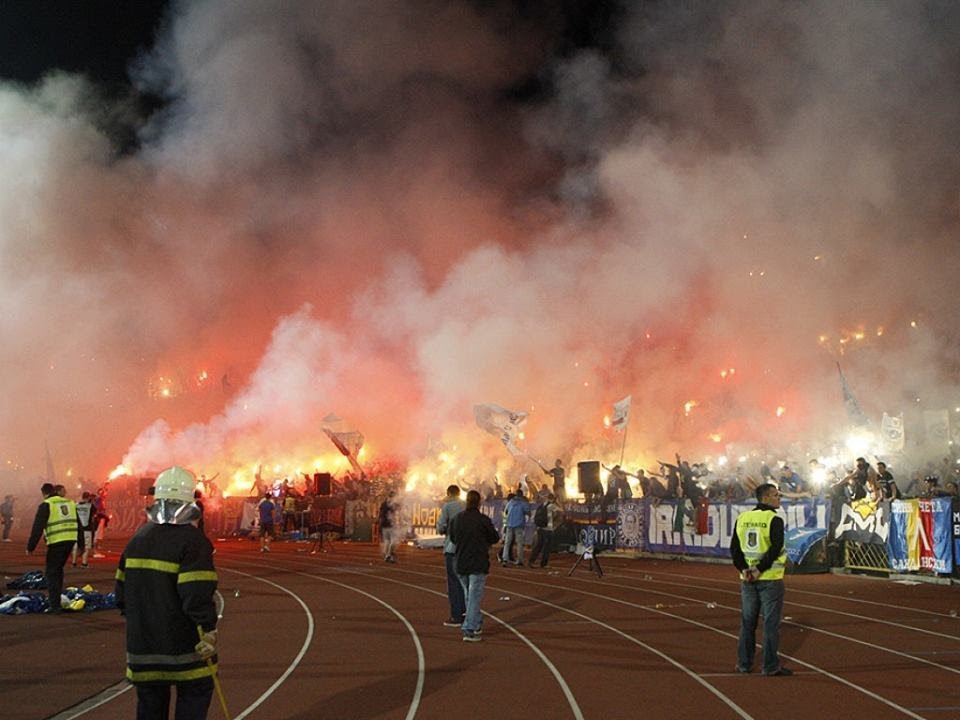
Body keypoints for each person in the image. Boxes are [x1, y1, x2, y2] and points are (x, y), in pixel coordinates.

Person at [116, 466, 219, 720]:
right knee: (196, 693)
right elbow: (196, 593)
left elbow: (121, 595)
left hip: (143, 647)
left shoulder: (137, 539)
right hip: (185, 649)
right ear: (191, 501)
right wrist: (208, 629)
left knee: (150, 706)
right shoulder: (193, 541)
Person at [730, 482, 791, 677]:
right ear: (765, 498)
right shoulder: (774, 519)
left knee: (747, 623)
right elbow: (775, 548)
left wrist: (745, 569)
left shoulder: (742, 518)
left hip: (747, 579)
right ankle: (770, 666)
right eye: (776, 495)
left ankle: (743, 664)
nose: (779, 498)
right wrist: (759, 569)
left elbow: (735, 548)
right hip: (770, 578)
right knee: (770, 624)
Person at [449, 489, 500, 642]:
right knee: (474, 597)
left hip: (461, 562)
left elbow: (452, 538)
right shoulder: (483, 520)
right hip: (478, 562)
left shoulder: (457, 519)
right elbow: (494, 538)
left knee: (469, 596)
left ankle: (476, 624)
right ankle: (469, 628)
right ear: (479, 503)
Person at [26, 482, 82, 614]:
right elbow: (78, 524)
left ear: (44, 493)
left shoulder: (47, 504)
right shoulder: (70, 503)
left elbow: (37, 527)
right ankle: (56, 601)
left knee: (51, 572)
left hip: (56, 541)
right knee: (58, 570)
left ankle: (54, 605)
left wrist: (31, 546)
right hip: (70, 540)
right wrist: (81, 545)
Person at [436, 485, 466, 627]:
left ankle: (456, 615)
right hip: (467, 549)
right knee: (466, 582)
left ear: (448, 493)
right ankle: (467, 613)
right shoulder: (467, 505)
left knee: (453, 582)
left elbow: (440, 527)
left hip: (452, 548)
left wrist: (447, 528)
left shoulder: (447, 507)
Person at [527, 493, 561, 568]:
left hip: (540, 528)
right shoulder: (551, 506)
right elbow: (561, 510)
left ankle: (531, 561)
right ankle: (544, 563)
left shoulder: (542, 505)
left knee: (538, 545)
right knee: (547, 547)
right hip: (548, 528)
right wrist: (557, 502)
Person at [501, 489, 531, 567]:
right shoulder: (523, 503)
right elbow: (528, 512)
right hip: (519, 525)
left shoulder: (510, 502)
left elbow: (506, 511)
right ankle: (519, 560)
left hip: (509, 524)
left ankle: (505, 559)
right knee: (519, 543)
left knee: (507, 543)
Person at [72, 492, 95, 567]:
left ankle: (74, 562)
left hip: (77, 528)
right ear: (88, 497)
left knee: (76, 546)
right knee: (86, 546)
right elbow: (95, 512)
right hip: (86, 528)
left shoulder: (76, 505)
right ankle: (84, 563)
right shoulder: (90, 506)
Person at [378, 490, 399, 562]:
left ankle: (387, 554)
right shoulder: (391, 504)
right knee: (392, 541)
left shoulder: (383, 503)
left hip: (384, 524)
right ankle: (388, 555)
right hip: (389, 525)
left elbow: (380, 514)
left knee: (387, 541)